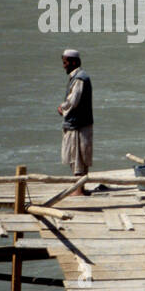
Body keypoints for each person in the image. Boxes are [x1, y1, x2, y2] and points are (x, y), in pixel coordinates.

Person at [57, 49, 93, 192]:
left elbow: (73, 101)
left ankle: (78, 191)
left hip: (78, 125)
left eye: (65, 62)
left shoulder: (79, 78)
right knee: (81, 158)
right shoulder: (80, 76)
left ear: (73, 62)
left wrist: (62, 108)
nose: (63, 66)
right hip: (82, 123)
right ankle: (81, 189)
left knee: (76, 158)